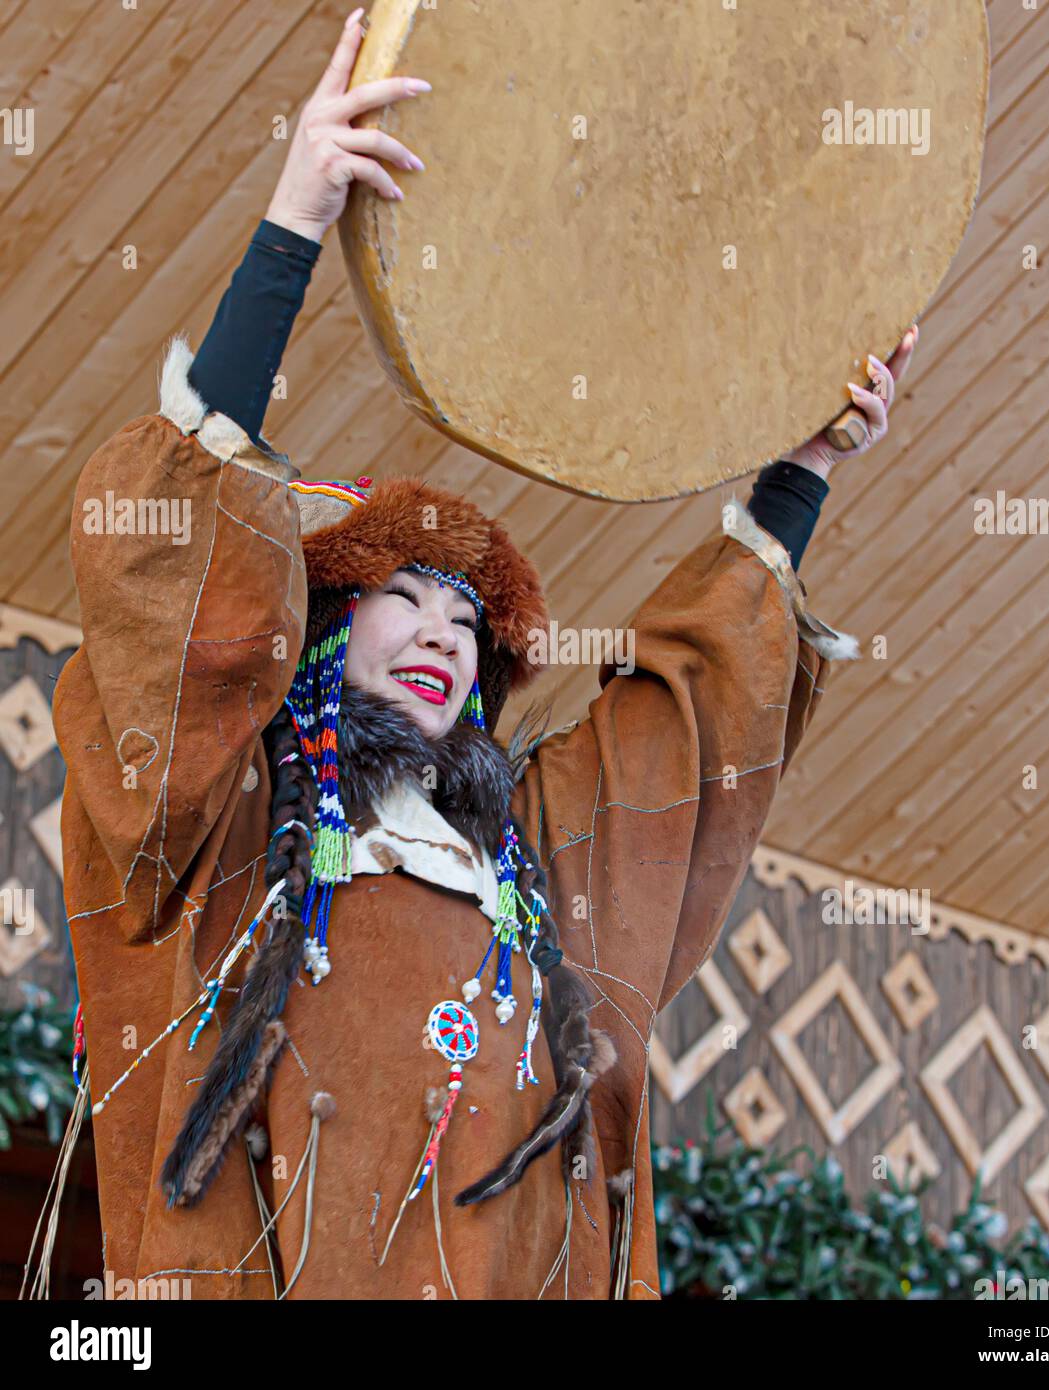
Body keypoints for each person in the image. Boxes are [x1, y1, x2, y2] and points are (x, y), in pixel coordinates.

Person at [51, 8, 915, 1300]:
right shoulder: (217, 829)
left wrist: (804, 470)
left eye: (472, 623)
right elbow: (179, 608)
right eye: (411, 597)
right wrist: (293, 222)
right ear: (318, 625)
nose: (449, 634)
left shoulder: (528, 862)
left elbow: (676, 731)